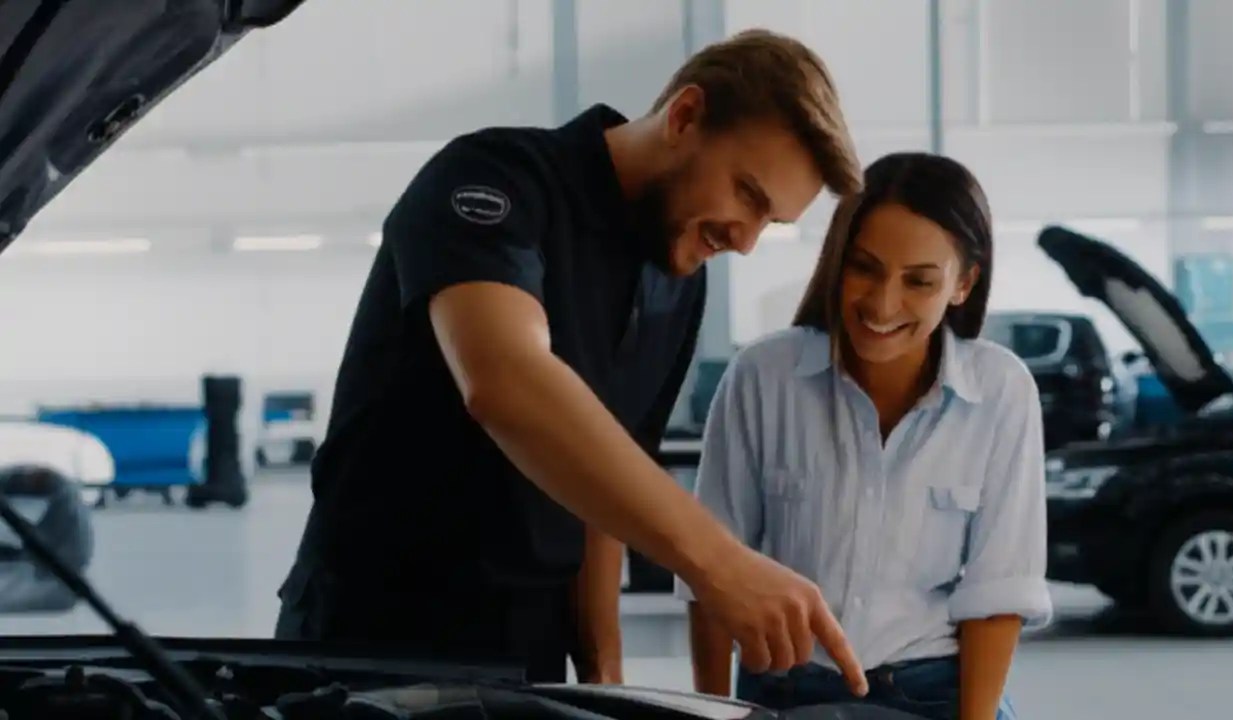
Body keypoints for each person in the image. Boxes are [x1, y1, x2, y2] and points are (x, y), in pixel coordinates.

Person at [274, 28, 872, 692]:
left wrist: (604, 673)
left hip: (525, 655)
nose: (747, 241)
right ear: (684, 116)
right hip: (373, 634)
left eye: (773, 224)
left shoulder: (678, 281)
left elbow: (607, 490)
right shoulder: (494, 180)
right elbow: (504, 381)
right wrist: (720, 563)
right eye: (748, 196)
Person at [676, 152, 1053, 719]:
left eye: (919, 281)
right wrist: (711, 714)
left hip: (937, 694)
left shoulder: (1001, 391)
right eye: (864, 268)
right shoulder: (762, 377)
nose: (882, 303)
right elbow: (712, 569)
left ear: (963, 283)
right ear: (835, 262)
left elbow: (998, 592)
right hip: (785, 692)